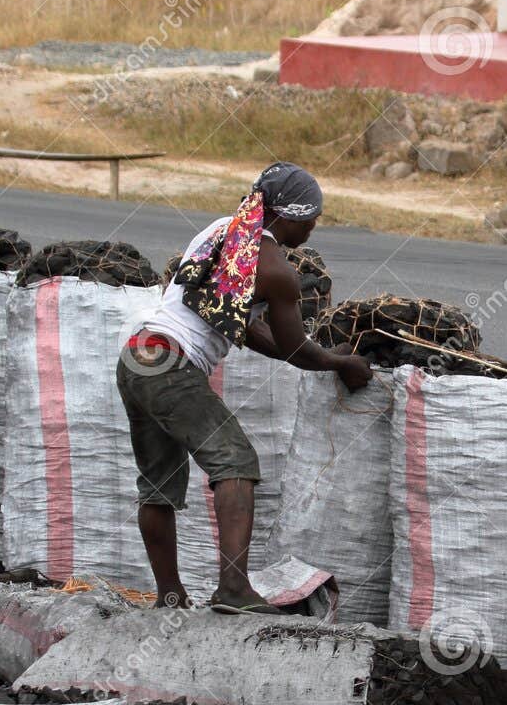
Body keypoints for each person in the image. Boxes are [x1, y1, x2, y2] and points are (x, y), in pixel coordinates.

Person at [117, 162, 371, 613]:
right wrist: (342, 363)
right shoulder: (275, 269)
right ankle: (233, 589)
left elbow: (247, 331)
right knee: (234, 460)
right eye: (312, 217)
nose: (314, 226)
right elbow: (295, 349)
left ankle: (170, 597)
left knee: (158, 487)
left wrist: (325, 358)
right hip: (172, 366)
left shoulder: (223, 232)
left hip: (139, 357)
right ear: (289, 215)